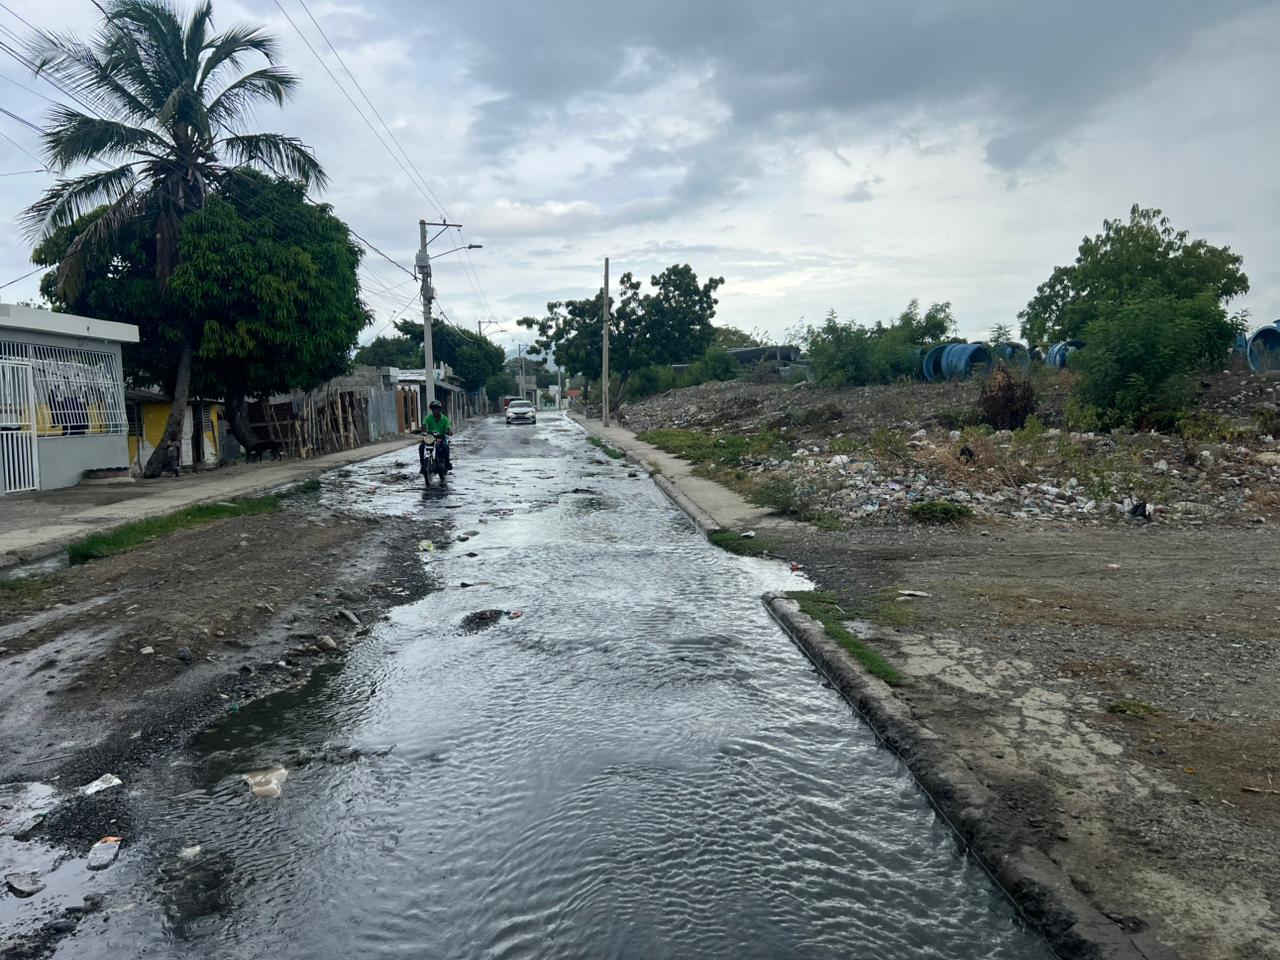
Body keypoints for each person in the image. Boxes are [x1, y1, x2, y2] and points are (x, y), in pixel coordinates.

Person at [422, 399, 453, 471]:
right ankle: (422, 465)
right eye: (433, 408)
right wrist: (422, 431)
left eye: (437, 408)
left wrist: (449, 431)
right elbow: (424, 426)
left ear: (440, 409)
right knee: (421, 447)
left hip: (441, 437)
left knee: (445, 447)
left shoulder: (445, 419)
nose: (435, 410)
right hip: (430, 437)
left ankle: (447, 462)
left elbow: (448, 428)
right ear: (432, 409)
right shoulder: (428, 417)